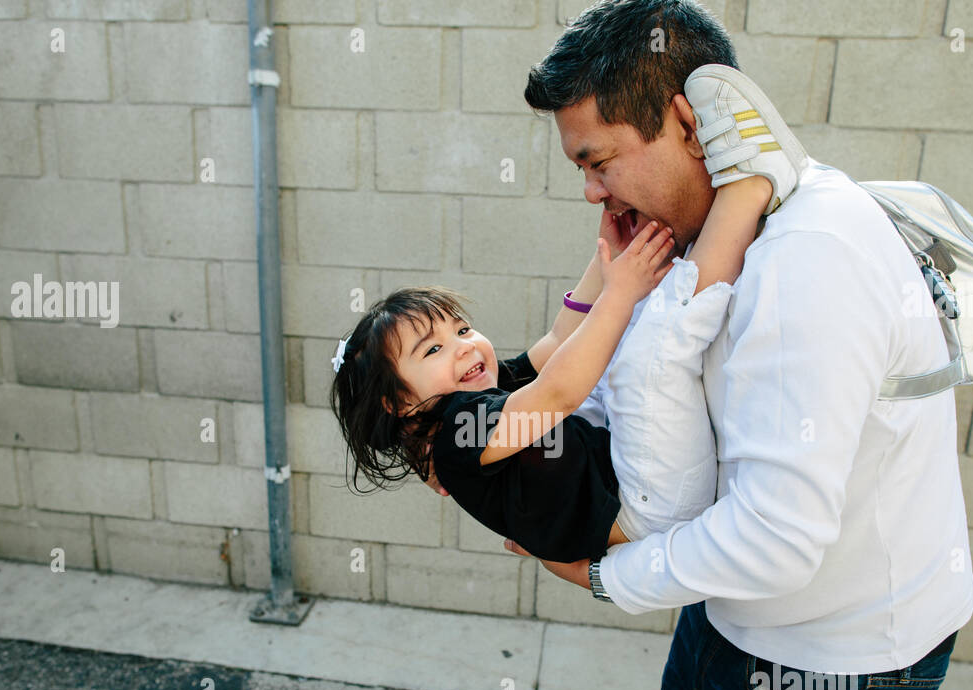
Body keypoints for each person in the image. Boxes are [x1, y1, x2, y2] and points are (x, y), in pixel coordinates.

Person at [516, 0, 973, 690]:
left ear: (686, 122)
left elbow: (777, 536)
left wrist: (605, 576)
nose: (588, 190)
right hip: (729, 618)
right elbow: (626, 396)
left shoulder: (810, 264)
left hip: (827, 670)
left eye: (598, 160)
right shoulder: (702, 242)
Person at [327, 133, 798, 563]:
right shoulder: (457, 434)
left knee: (615, 339)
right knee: (651, 350)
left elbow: (557, 343)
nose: (463, 347)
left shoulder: (477, 397)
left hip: (629, 477)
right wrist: (619, 291)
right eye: (432, 351)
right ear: (398, 403)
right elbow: (557, 395)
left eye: (463, 330)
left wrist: (608, 256)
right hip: (643, 504)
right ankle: (750, 186)